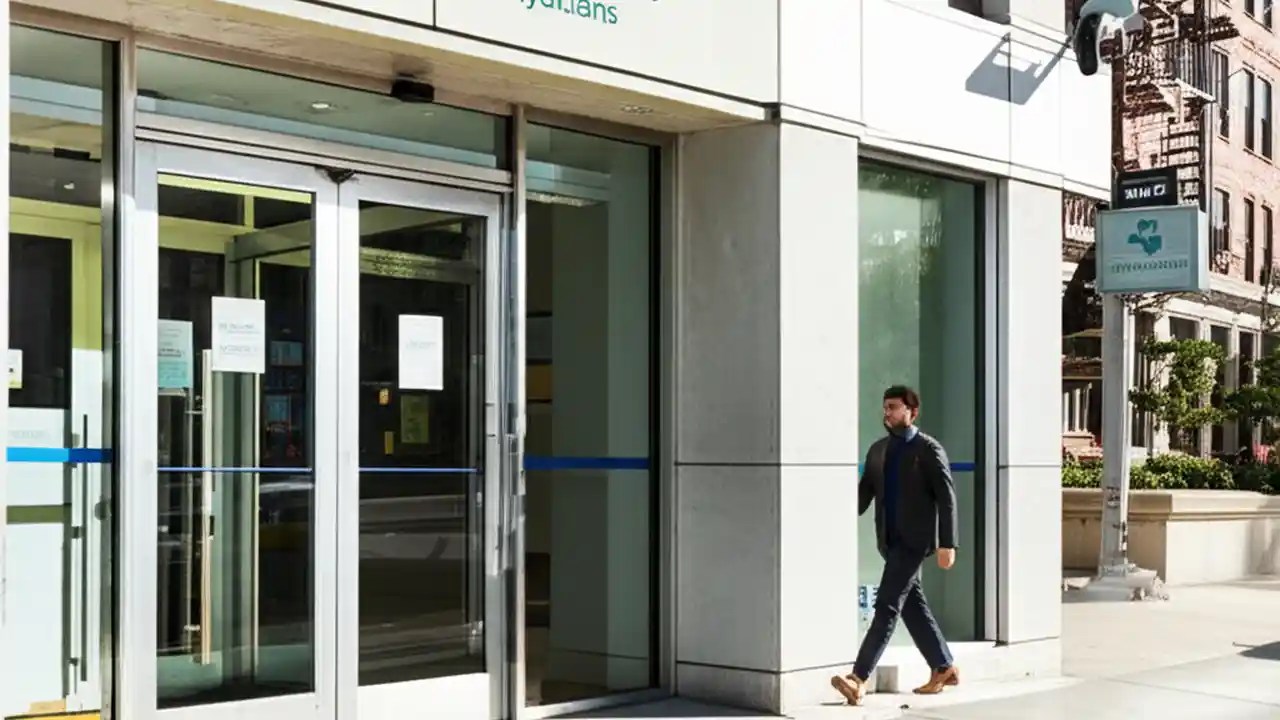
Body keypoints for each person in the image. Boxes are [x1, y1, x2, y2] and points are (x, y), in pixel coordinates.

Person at [831, 385, 960, 706]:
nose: (886, 413)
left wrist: (948, 543)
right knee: (912, 607)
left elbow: (946, 498)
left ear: (911, 412)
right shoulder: (877, 450)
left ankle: (857, 678)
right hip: (889, 542)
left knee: (887, 605)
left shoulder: (928, 449)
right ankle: (943, 667)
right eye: (885, 407)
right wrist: (830, 521)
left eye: (893, 407)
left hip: (915, 542)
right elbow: (862, 496)